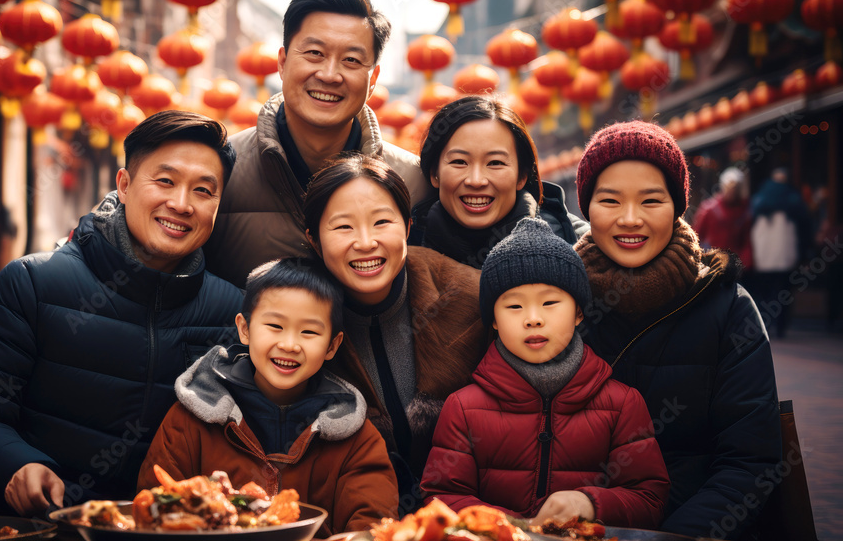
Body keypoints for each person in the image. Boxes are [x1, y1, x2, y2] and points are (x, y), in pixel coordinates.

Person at [0, 111, 244, 516]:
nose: (181, 204)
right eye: (165, 181)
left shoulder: (231, 312)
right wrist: (16, 465)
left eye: (203, 191)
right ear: (125, 185)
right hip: (43, 525)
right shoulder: (34, 283)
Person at [573, 121, 780, 540]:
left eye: (651, 200)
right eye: (610, 200)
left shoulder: (728, 308)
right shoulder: (557, 302)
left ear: (677, 206)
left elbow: (750, 463)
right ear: (586, 208)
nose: (630, 219)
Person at [421, 217, 669, 528]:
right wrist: (509, 528)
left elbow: (650, 500)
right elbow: (439, 496)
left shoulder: (621, 404)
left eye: (550, 302)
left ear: (579, 312)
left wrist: (590, 503)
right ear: (494, 320)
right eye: (514, 307)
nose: (533, 319)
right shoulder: (463, 408)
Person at [138, 257, 398, 537]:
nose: (288, 344)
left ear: (332, 345)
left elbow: (373, 525)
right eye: (275, 326)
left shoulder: (356, 438)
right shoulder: (191, 417)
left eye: (309, 332)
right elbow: (152, 511)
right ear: (245, 329)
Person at [302, 152, 490, 514]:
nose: (366, 242)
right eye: (343, 227)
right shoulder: (297, 320)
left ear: (406, 226)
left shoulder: (469, 298)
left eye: (381, 222)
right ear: (314, 239)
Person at [205, 0, 427, 288]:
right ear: (282, 63)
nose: (329, 75)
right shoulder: (220, 171)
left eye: (351, 60)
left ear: (373, 78)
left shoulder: (413, 181)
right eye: (314, 54)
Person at [411, 96, 588, 267]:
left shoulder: (580, 246)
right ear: (435, 174)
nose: (476, 180)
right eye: (459, 162)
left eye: (495, 163)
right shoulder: (402, 250)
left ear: (522, 177)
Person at [750, 167, 812, 337]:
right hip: (785, 254)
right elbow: (804, 229)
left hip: (763, 255)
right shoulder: (794, 200)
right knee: (783, 291)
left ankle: (765, 324)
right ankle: (781, 327)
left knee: (765, 291)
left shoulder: (759, 200)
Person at [692, 166, 752, 269]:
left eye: (735, 188)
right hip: (713, 262)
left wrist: (746, 262)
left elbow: (746, 240)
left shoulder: (743, 211)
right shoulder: (709, 209)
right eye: (729, 187)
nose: (731, 192)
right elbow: (696, 235)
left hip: (735, 265)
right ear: (723, 187)